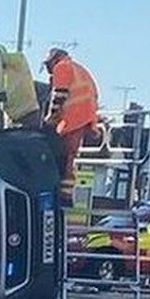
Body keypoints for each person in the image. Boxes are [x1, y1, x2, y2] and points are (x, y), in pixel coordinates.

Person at [43, 48, 100, 205]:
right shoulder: (80, 69)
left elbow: (59, 95)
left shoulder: (62, 67)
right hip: (84, 117)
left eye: (48, 65)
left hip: (74, 117)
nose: (49, 71)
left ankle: (62, 195)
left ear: (55, 60)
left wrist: (52, 118)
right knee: (70, 159)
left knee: (62, 155)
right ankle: (66, 195)